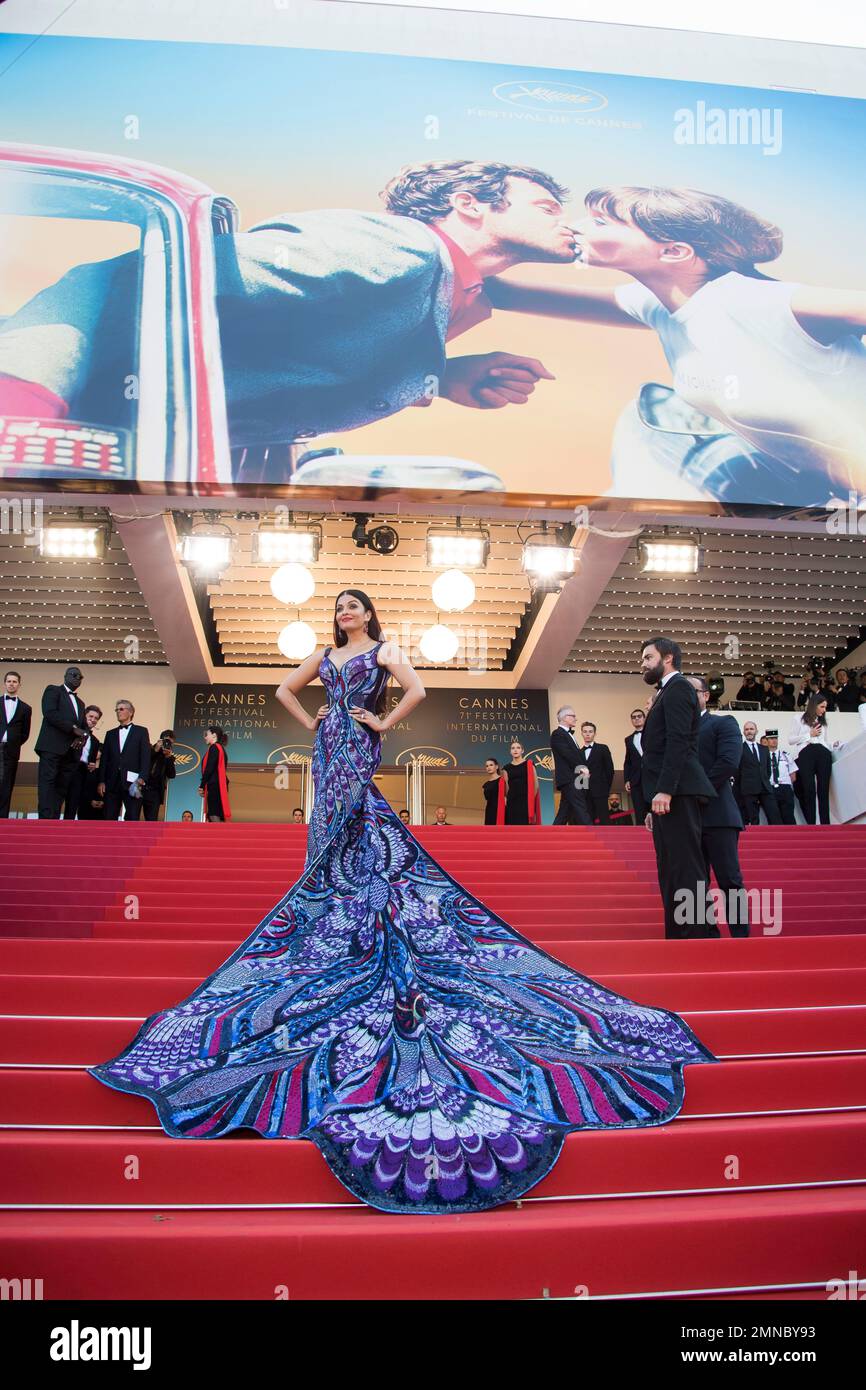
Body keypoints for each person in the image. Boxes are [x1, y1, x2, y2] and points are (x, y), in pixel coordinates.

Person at [88, 588, 717, 1216]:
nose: (343, 613)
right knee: (327, 836)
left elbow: (416, 691)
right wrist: (315, 721)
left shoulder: (385, 650)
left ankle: (369, 917)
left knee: (364, 827)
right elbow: (284, 690)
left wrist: (380, 723)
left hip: (359, 744)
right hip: (328, 745)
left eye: (352, 606)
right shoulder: (324, 657)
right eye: (338, 607)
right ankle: (330, 922)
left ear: (369, 613)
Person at [0, 161, 572, 487]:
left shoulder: (432, 288)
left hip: (110, 460)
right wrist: (20, 402)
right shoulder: (398, 249)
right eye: (547, 207)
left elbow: (268, 364)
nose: (565, 223)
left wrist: (439, 376)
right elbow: (128, 281)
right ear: (471, 204)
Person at [488, 185, 866, 506]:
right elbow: (503, 295)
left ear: (674, 252)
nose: (576, 226)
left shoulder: (758, 301)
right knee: (648, 419)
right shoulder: (657, 304)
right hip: (831, 496)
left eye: (601, 222)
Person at [639, 637, 717, 940]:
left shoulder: (680, 687)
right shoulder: (665, 692)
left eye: (648, 657)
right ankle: (681, 934)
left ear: (667, 657)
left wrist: (666, 791)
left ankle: (699, 936)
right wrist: (651, 802)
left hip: (678, 793)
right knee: (671, 868)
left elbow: (679, 742)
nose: (643, 664)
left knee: (685, 867)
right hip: (667, 795)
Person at [688, 677, 749, 937]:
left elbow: (727, 762)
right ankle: (706, 934)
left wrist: (700, 792)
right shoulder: (676, 731)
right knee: (694, 884)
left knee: (729, 880)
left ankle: (740, 935)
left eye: (692, 691)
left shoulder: (723, 723)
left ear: (705, 696)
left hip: (718, 814)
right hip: (687, 819)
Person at [34, 666, 88, 819]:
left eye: (80, 677)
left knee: (61, 786)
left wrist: (82, 736)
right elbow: (50, 713)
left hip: (71, 752)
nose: (77, 678)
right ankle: (45, 819)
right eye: (73, 675)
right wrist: (73, 729)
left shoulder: (81, 703)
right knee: (47, 783)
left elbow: (84, 727)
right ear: (65, 676)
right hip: (52, 746)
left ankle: (55, 818)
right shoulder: (53, 690)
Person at [99, 701, 151, 821]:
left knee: (133, 816)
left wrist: (142, 778)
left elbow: (145, 757)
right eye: (117, 710)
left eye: (121, 709)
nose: (118, 712)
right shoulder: (110, 734)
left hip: (134, 782)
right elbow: (104, 759)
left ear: (131, 712)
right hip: (112, 781)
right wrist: (101, 781)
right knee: (109, 817)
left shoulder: (141, 731)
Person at [788, 697, 835, 825]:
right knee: (809, 789)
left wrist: (833, 745)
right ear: (814, 705)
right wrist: (809, 734)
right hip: (806, 753)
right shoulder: (799, 718)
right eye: (822, 707)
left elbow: (824, 741)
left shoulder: (822, 721)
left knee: (823, 789)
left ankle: (825, 823)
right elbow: (791, 739)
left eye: (825, 707)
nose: (824, 710)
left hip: (823, 754)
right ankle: (811, 824)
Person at [550, 705, 591, 825]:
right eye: (573, 716)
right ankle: (592, 835)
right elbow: (567, 754)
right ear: (564, 718)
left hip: (577, 778)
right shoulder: (557, 734)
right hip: (569, 778)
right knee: (581, 807)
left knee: (564, 811)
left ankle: (552, 837)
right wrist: (582, 768)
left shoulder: (569, 735)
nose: (576, 718)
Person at [735, 721, 782, 825]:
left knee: (774, 816)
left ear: (756, 731)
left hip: (765, 787)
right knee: (753, 819)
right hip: (748, 789)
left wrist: (764, 780)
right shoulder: (739, 749)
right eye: (746, 729)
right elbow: (737, 771)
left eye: (751, 729)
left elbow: (768, 770)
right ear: (744, 732)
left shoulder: (764, 749)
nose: (749, 731)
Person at [62, 705, 103, 820]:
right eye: (91, 716)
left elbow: (91, 760)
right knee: (57, 800)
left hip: (81, 772)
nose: (93, 720)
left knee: (73, 804)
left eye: (96, 718)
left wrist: (92, 764)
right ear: (84, 716)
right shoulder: (73, 732)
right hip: (66, 769)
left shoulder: (95, 741)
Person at [0, 671, 32, 818]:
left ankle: (3, 818)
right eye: (9, 681)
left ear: (19, 684)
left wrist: (14, 744)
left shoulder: (26, 708)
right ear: (4, 683)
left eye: (14, 681)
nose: (11, 684)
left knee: (7, 784)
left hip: (11, 751)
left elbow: (25, 733)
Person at [575, 720, 614, 824]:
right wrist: (580, 791)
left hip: (600, 790)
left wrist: (606, 788)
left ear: (595, 733)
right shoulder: (578, 752)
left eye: (590, 731)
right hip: (585, 792)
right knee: (587, 820)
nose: (587, 734)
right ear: (582, 733)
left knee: (604, 818)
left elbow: (609, 770)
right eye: (585, 731)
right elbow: (577, 774)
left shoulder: (603, 748)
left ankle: (607, 840)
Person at [502, 739, 541, 825]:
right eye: (513, 748)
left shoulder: (529, 764)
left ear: (522, 750)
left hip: (526, 801)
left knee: (525, 828)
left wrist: (530, 800)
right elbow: (506, 788)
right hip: (512, 802)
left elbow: (536, 785)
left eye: (518, 748)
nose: (515, 750)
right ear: (510, 751)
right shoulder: (506, 768)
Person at [141, 730, 177, 822]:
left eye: (170, 743)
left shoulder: (169, 758)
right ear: (160, 740)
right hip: (140, 787)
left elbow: (172, 775)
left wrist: (168, 757)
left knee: (152, 821)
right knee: (133, 816)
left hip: (155, 792)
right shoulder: (149, 750)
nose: (167, 744)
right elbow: (142, 763)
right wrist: (155, 750)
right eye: (166, 741)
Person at [763, 730, 798, 825]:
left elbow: (793, 775)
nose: (773, 741)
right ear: (766, 740)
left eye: (775, 738)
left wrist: (786, 785)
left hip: (785, 788)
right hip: (770, 788)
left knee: (789, 817)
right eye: (771, 739)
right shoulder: (763, 756)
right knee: (773, 818)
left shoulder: (785, 755)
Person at [200, 727, 231, 821]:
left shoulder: (214, 748)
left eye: (207, 734)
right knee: (216, 813)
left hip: (214, 785)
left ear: (214, 735)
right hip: (217, 785)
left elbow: (209, 768)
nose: (205, 737)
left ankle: (217, 835)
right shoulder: (220, 749)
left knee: (214, 813)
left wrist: (202, 785)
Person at [623, 707, 648, 825]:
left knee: (654, 808)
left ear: (644, 718)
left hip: (652, 777)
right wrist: (627, 779)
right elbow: (628, 761)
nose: (636, 719)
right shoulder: (628, 739)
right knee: (639, 809)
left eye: (639, 716)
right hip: (636, 780)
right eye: (634, 717)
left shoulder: (653, 734)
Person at [481, 756, 506, 825]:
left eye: (491, 765)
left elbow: (506, 798)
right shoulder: (486, 784)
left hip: (500, 810)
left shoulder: (502, 781)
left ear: (497, 767)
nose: (489, 767)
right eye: (487, 766)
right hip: (489, 811)